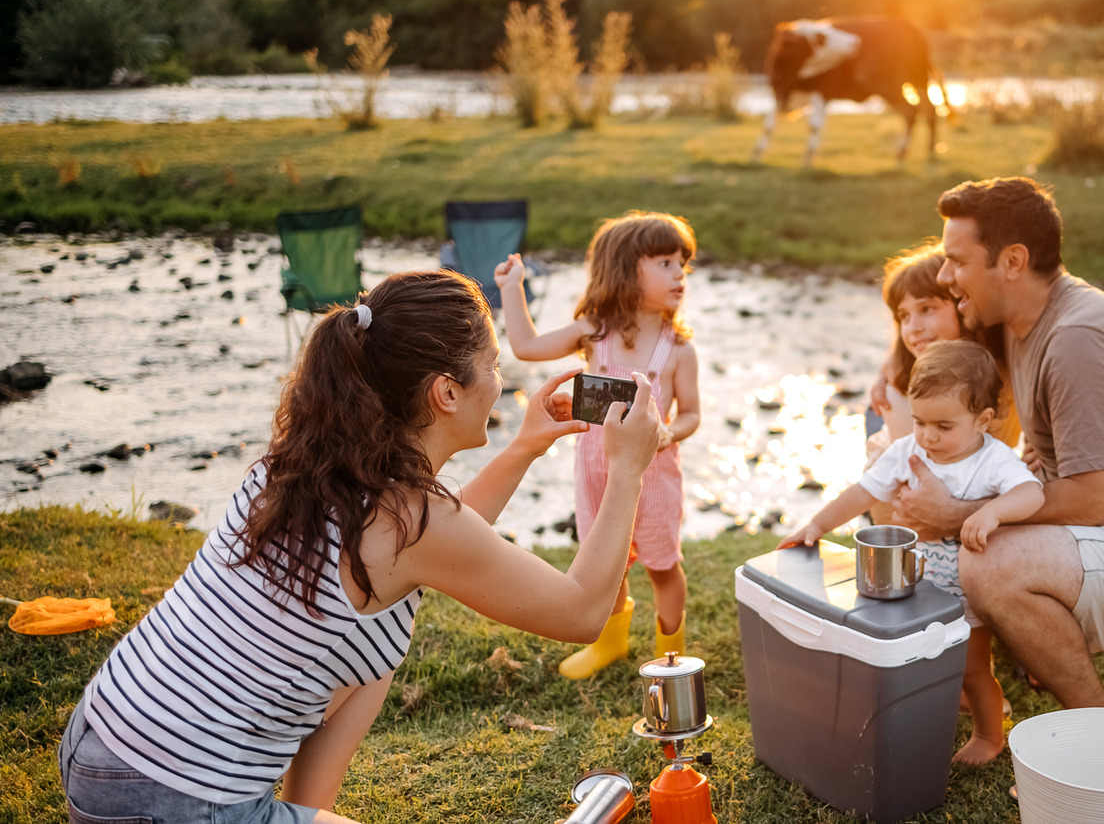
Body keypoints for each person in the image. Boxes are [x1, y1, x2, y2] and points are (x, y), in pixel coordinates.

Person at [59, 270, 662, 824]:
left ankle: (302, 811)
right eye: (493, 365)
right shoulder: (414, 522)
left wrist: (525, 446)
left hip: (101, 740)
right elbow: (583, 611)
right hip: (176, 799)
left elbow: (441, 546)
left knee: (377, 641)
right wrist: (627, 468)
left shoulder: (298, 465)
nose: (502, 384)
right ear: (447, 393)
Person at [891, 176, 1104, 711]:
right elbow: (935, 347)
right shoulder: (1017, 320)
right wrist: (886, 372)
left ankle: (1098, 729)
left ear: (1013, 261)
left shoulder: (1080, 337)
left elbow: (1090, 501)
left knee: (991, 564)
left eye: (957, 262)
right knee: (975, 544)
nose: (944, 277)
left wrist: (955, 514)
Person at [780, 340, 1043, 765]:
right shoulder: (909, 450)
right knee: (912, 661)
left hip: (967, 594)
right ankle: (916, 720)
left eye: (944, 425)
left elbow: (1032, 493)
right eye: (920, 422)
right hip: (915, 588)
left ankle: (989, 735)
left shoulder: (993, 460)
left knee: (973, 670)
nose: (928, 435)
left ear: (983, 420)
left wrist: (993, 511)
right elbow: (863, 491)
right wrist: (817, 525)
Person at [495, 211, 701, 679]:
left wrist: (669, 432)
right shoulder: (594, 332)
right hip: (596, 473)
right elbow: (527, 346)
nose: (680, 274)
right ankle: (610, 643)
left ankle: (671, 652)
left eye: (682, 264)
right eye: (665, 263)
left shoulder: (678, 348)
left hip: (654, 478)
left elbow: (691, 414)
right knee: (609, 566)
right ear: (626, 269)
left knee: (663, 566)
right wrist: (512, 287)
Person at [868, 239, 1021, 453]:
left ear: (963, 305)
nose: (913, 328)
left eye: (927, 309)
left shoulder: (1006, 366)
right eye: (904, 316)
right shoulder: (898, 395)